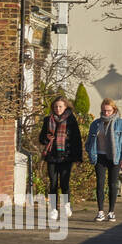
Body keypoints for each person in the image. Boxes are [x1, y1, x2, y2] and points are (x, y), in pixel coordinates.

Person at [84, 98, 122, 223]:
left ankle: (111, 211)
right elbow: (89, 141)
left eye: (109, 111)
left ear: (114, 110)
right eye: (104, 111)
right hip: (99, 156)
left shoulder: (121, 124)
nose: (106, 113)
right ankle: (100, 212)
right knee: (100, 183)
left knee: (113, 184)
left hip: (115, 158)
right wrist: (89, 151)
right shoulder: (96, 124)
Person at [38, 94, 82, 222]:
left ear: (65, 107)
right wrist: (47, 138)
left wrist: (78, 157)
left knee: (64, 183)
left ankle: (66, 204)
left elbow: (77, 139)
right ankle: (53, 209)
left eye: (60, 106)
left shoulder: (71, 120)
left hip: (66, 156)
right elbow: (41, 138)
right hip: (52, 155)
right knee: (52, 183)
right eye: (56, 106)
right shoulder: (48, 120)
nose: (58, 109)